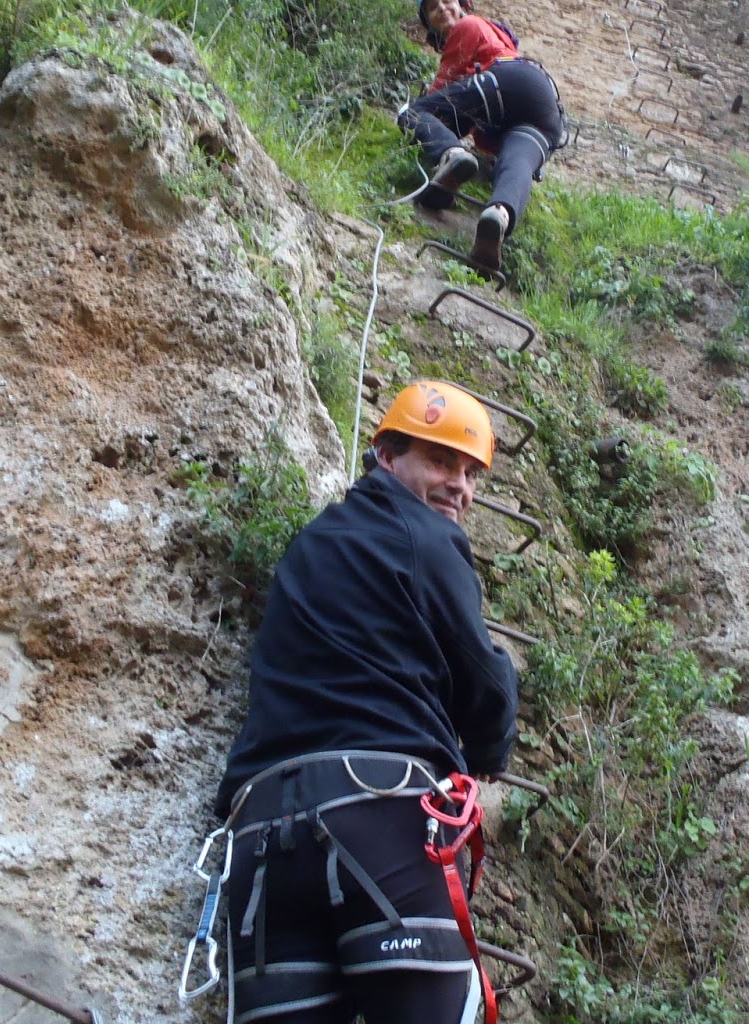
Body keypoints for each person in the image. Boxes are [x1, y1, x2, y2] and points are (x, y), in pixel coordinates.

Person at [213, 381, 519, 1024]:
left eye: (470, 474)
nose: (459, 486)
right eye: (440, 461)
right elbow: (483, 683)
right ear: (386, 455)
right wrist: (490, 749)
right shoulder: (429, 540)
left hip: (263, 841)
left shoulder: (305, 548)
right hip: (380, 820)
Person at [398, 0, 564, 273]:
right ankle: (498, 216)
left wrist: (436, 134)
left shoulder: (468, 25)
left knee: (413, 114)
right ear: (429, 23)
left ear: (462, 4)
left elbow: (442, 94)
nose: (442, 9)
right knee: (517, 165)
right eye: (433, 8)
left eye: (448, 1)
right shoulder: (497, 37)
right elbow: (468, 117)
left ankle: (452, 157)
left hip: (505, 81)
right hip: (544, 110)